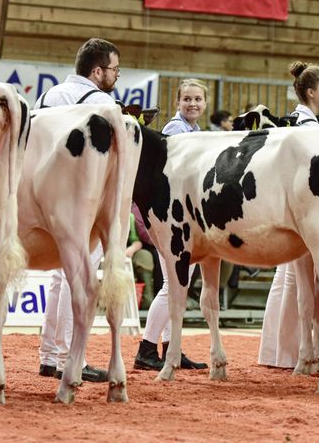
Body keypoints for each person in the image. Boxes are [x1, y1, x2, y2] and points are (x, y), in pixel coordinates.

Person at [36, 37, 120, 383]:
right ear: (98, 71)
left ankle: (49, 355)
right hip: (82, 197)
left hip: (41, 196)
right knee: (80, 275)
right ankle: (72, 356)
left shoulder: (47, 96)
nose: (117, 75)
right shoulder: (101, 102)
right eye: (114, 69)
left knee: (60, 275)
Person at [257, 61, 319, 368]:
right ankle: (286, 353)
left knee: (286, 278)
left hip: (285, 208)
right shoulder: (308, 129)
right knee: (293, 280)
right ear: (312, 92)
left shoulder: (300, 121)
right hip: (297, 210)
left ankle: (277, 352)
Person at [134, 78, 209, 371]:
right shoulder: (175, 131)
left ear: (204, 103)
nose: (192, 104)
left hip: (184, 218)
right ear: (178, 102)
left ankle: (170, 349)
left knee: (177, 285)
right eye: (187, 99)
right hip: (172, 219)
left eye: (197, 99)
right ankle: (147, 349)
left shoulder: (194, 131)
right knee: (173, 285)